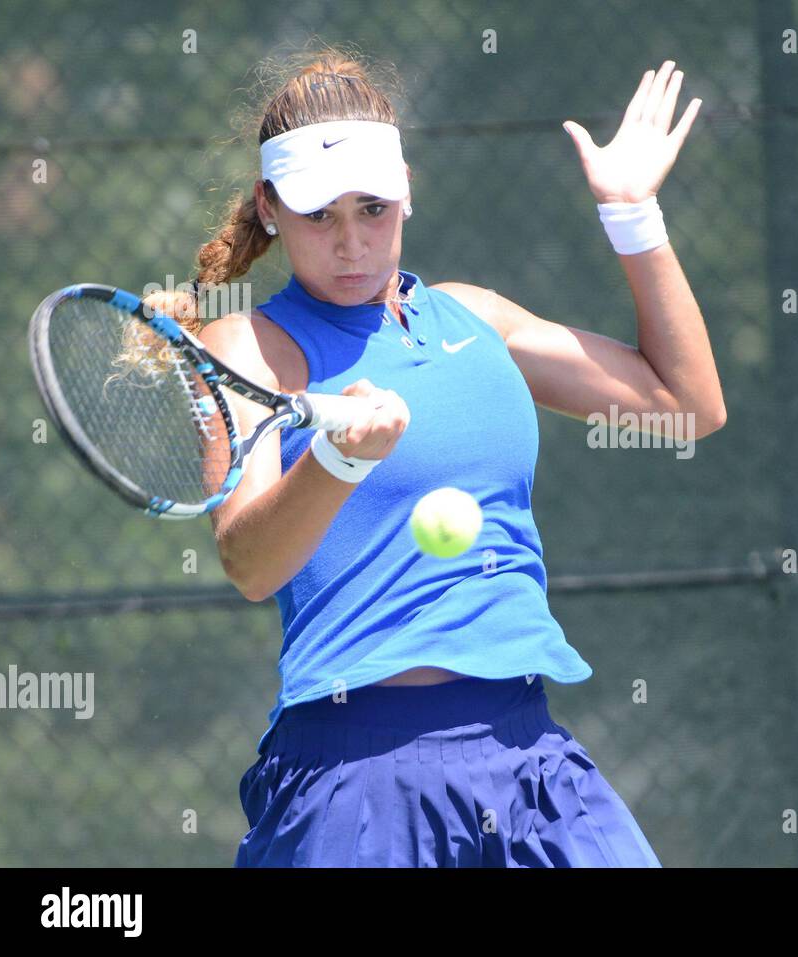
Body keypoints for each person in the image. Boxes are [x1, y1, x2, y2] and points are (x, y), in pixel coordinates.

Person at [160, 48, 724, 866]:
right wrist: (337, 461)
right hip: (353, 779)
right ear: (270, 206)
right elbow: (250, 561)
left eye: (373, 208)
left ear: (408, 191)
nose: (351, 242)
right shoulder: (247, 347)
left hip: (529, 758)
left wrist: (633, 214)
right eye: (320, 215)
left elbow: (685, 407)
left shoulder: (476, 318)